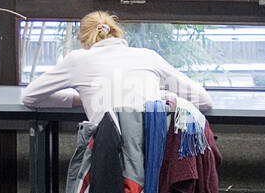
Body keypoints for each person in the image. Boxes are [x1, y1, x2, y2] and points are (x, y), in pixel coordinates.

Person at [21, 12, 214, 122]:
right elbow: (204, 101)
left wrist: (79, 100)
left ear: (83, 40)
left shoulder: (78, 60)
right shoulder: (148, 56)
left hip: (105, 161)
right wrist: (161, 97)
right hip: (154, 159)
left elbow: (30, 97)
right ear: (118, 33)